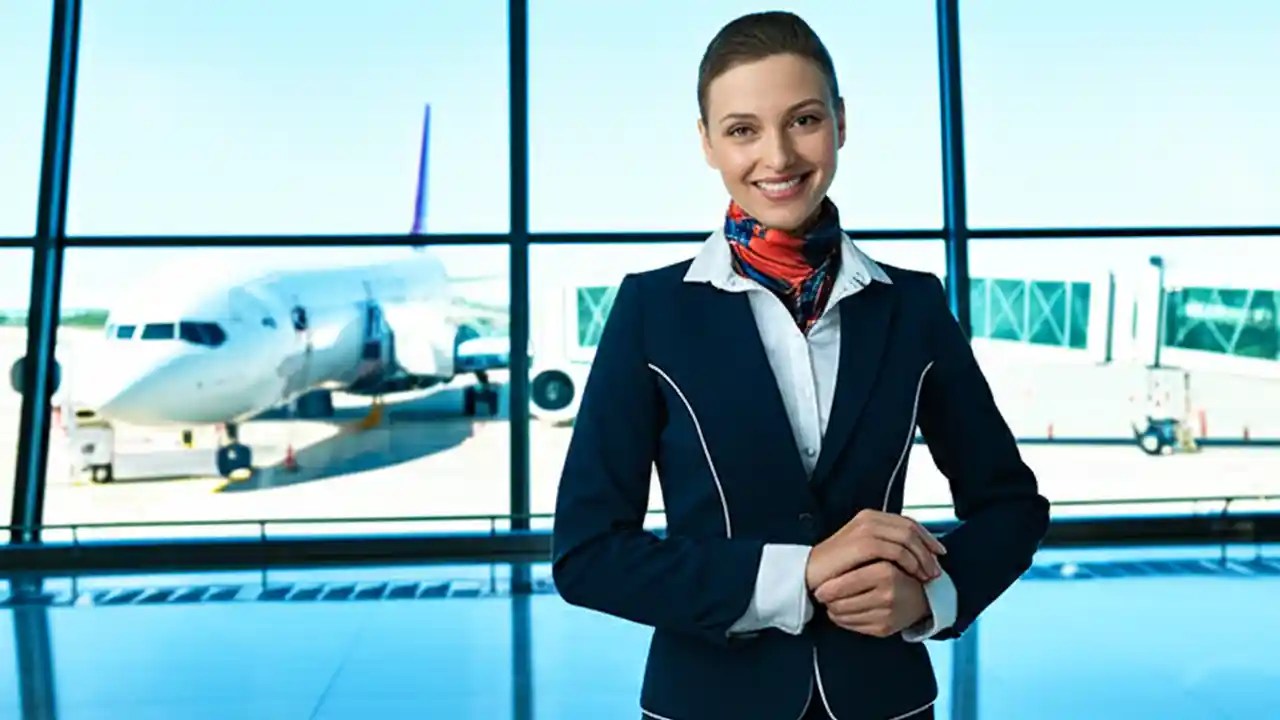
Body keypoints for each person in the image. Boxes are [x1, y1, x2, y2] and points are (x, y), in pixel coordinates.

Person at [551, 11, 1049, 720]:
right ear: (707, 143)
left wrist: (934, 595)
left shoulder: (911, 307)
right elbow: (588, 554)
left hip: (886, 700)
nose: (777, 157)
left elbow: (1011, 505)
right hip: (705, 701)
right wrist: (800, 574)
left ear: (841, 123)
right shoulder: (649, 312)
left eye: (804, 119)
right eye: (743, 129)